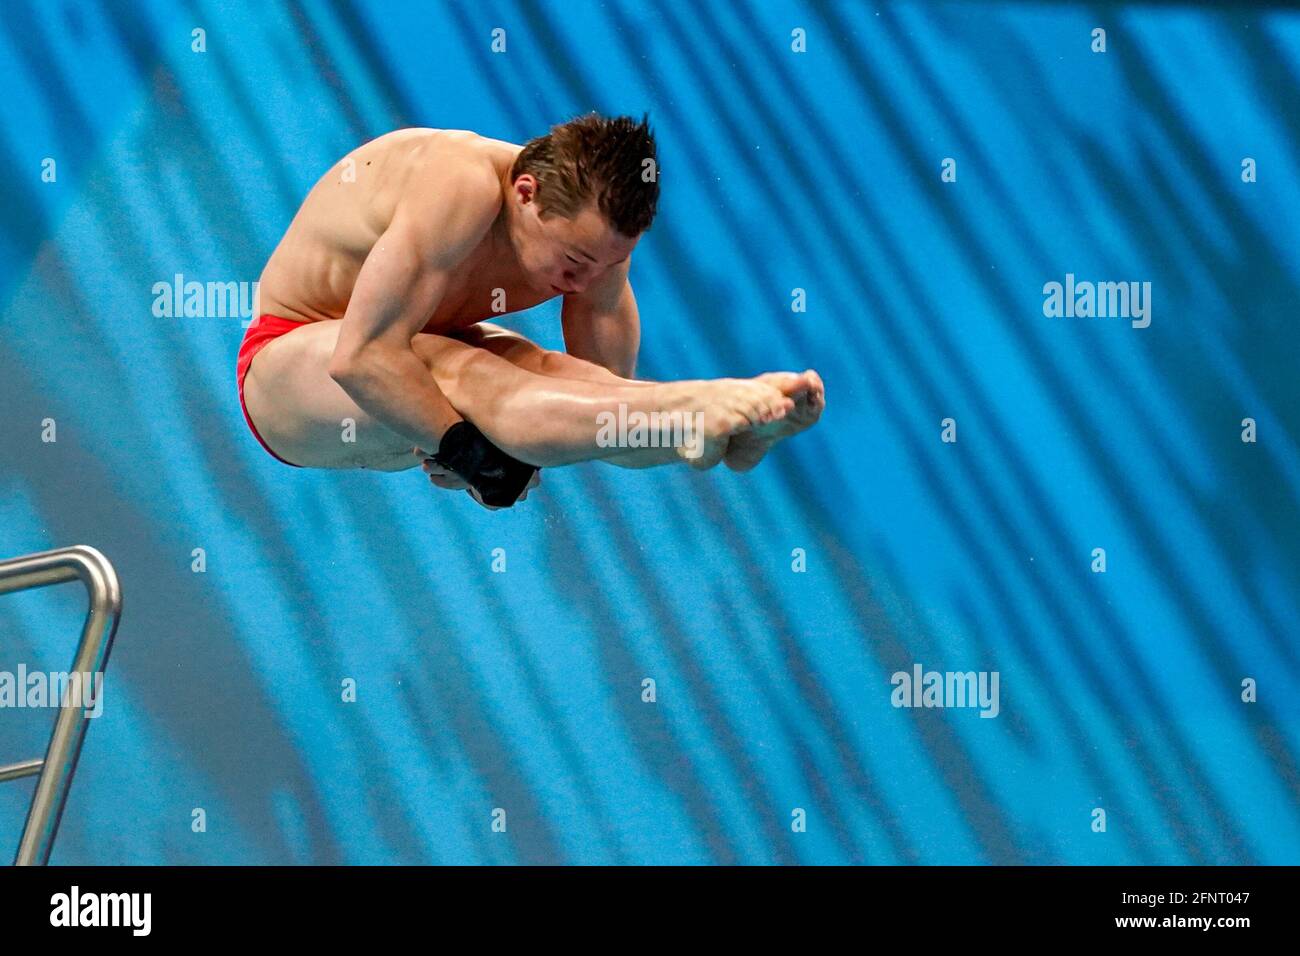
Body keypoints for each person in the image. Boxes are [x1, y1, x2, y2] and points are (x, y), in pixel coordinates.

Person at [237, 114, 824, 508]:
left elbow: (604, 413)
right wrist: (464, 449)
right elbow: (361, 358)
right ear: (525, 194)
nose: (588, 281)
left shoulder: (598, 250)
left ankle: (708, 433)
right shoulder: (458, 184)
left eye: (608, 264)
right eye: (575, 260)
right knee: (456, 365)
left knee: (545, 371)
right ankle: (694, 406)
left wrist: (671, 424)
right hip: (290, 371)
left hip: (394, 393)